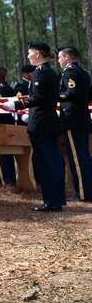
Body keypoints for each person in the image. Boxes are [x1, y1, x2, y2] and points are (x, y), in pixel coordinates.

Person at [6, 42, 65, 212]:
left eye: (30, 53)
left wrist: (17, 104)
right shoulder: (50, 72)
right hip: (49, 122)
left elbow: (38, 98)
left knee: (45, 163)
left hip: (41, 123)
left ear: (38, 54)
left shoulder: (40, 73)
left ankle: (51, 201)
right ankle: (57, 198)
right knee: (53, 161)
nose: (28, 56)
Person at [56, 45, 92, 203]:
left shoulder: (70, 72)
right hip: (82, 119)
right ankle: (86, 191)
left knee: (77, 159)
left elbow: (72, 93)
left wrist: (55, 96)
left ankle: (83, 194)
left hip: (73, 120)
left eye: (60, 57)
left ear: (67, 58)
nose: (58, 60)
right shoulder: (84, 73)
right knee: (84, 156)